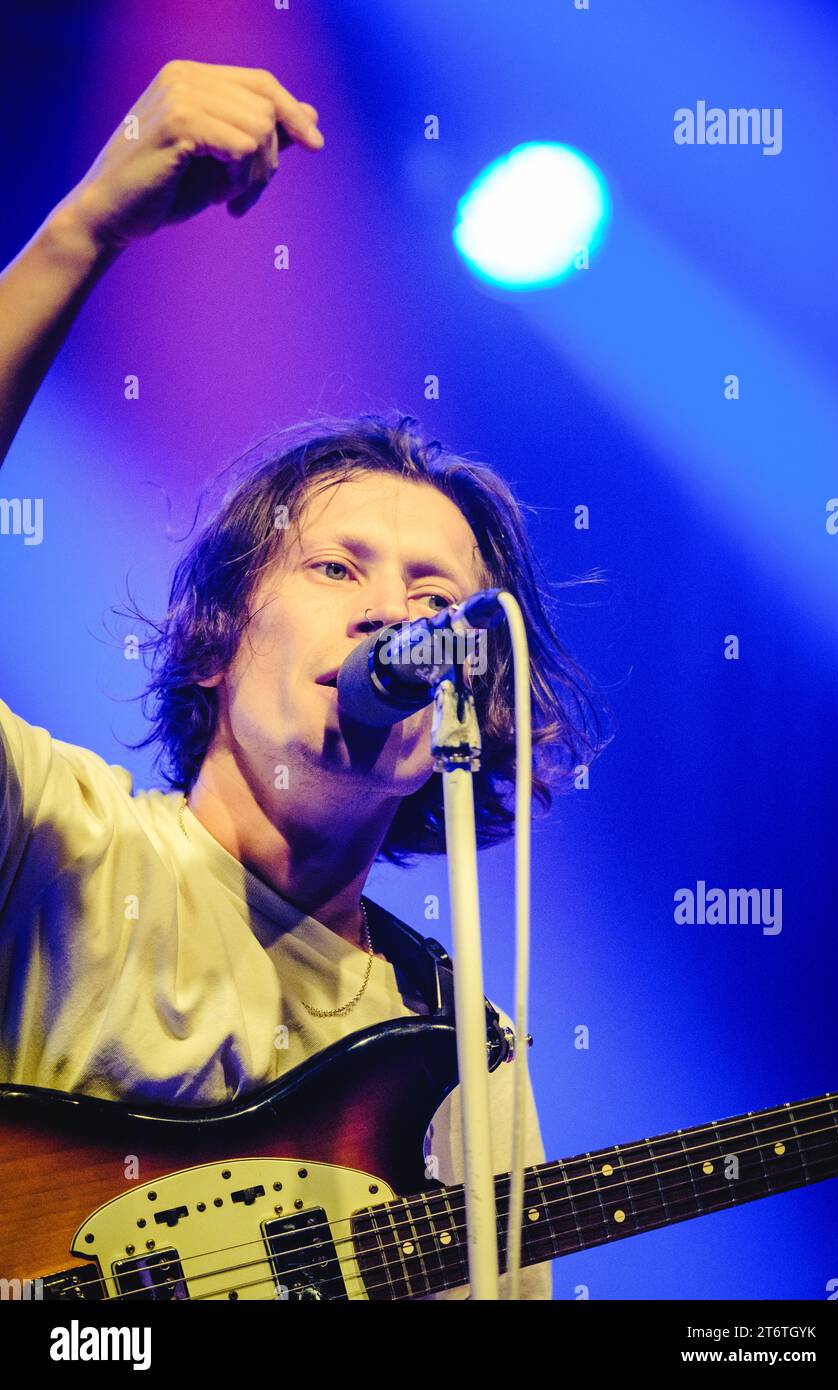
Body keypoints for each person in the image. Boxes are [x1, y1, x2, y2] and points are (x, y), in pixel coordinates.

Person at [0, 61, 602, 1300]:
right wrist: (84, 229)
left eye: (438, 602)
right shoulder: (59, 843)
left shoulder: (458, 1053)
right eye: (338, 566)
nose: (393, 612)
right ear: (216, 640)